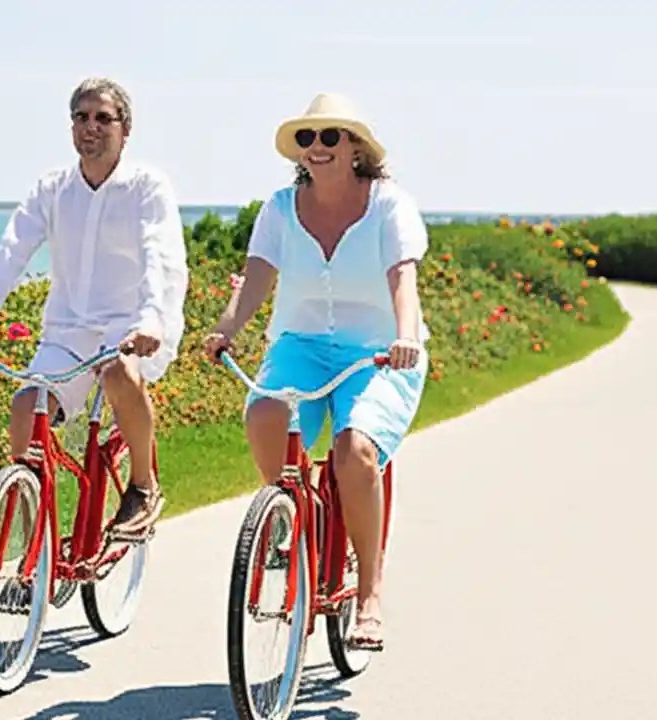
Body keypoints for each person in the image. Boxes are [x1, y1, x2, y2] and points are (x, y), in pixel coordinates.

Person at [203, 92, 429, 651]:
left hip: (376, 350)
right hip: (300, 344)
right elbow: (257, 275)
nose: (318, 148)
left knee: (355, 450)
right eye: (308, 138)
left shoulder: (389, 204)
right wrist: (228, 326)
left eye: (331, 136)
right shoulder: (280, 208)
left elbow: (403, 277)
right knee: (263, 413)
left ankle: (369, 595)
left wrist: (405, 336)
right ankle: (290, 515)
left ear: (356, 146)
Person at [0, 77, 188, 537]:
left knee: (121, 374)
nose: (91, 127)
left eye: (103, 118)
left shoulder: (146, 187)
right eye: (81, 117)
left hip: (133, 326)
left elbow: (158, 256)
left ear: (125, 129)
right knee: (26, 408)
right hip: (68, 332)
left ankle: (143, 485)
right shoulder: (53, 188)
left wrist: (149, 320)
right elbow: (13, 249)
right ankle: (30, 540)